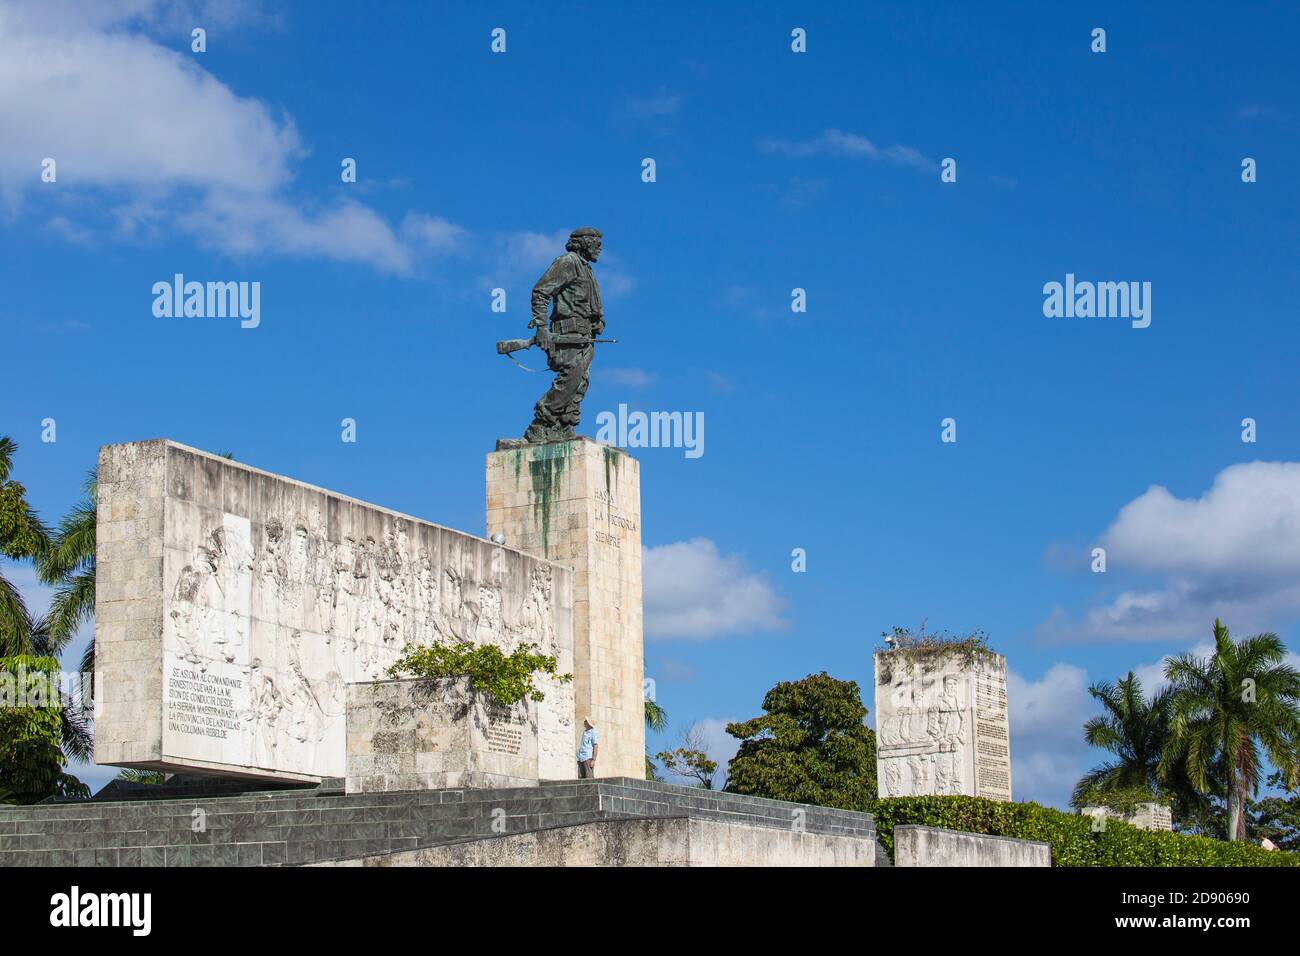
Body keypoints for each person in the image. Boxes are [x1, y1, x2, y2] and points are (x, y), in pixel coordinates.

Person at [522, 227, 604, 443]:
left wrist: (598, 322)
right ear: (584, 242)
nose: (600, 248)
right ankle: (541, 422)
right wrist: (541, 327)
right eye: (596, 242)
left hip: (585, 336)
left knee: (580, 383)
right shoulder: (567, 262)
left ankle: (563, 425)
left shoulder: (587, 270)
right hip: (567, 334)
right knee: (570, 379)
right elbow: (541, 291)